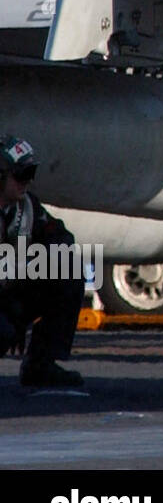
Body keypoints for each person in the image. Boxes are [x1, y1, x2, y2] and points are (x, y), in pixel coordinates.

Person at [0, 136, 84, 388]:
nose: (28, 181)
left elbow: (61, 237)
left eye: (30, 173)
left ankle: (41, 364)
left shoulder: (26, 208)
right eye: (21, 174)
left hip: (7, 294)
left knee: (68, 272)